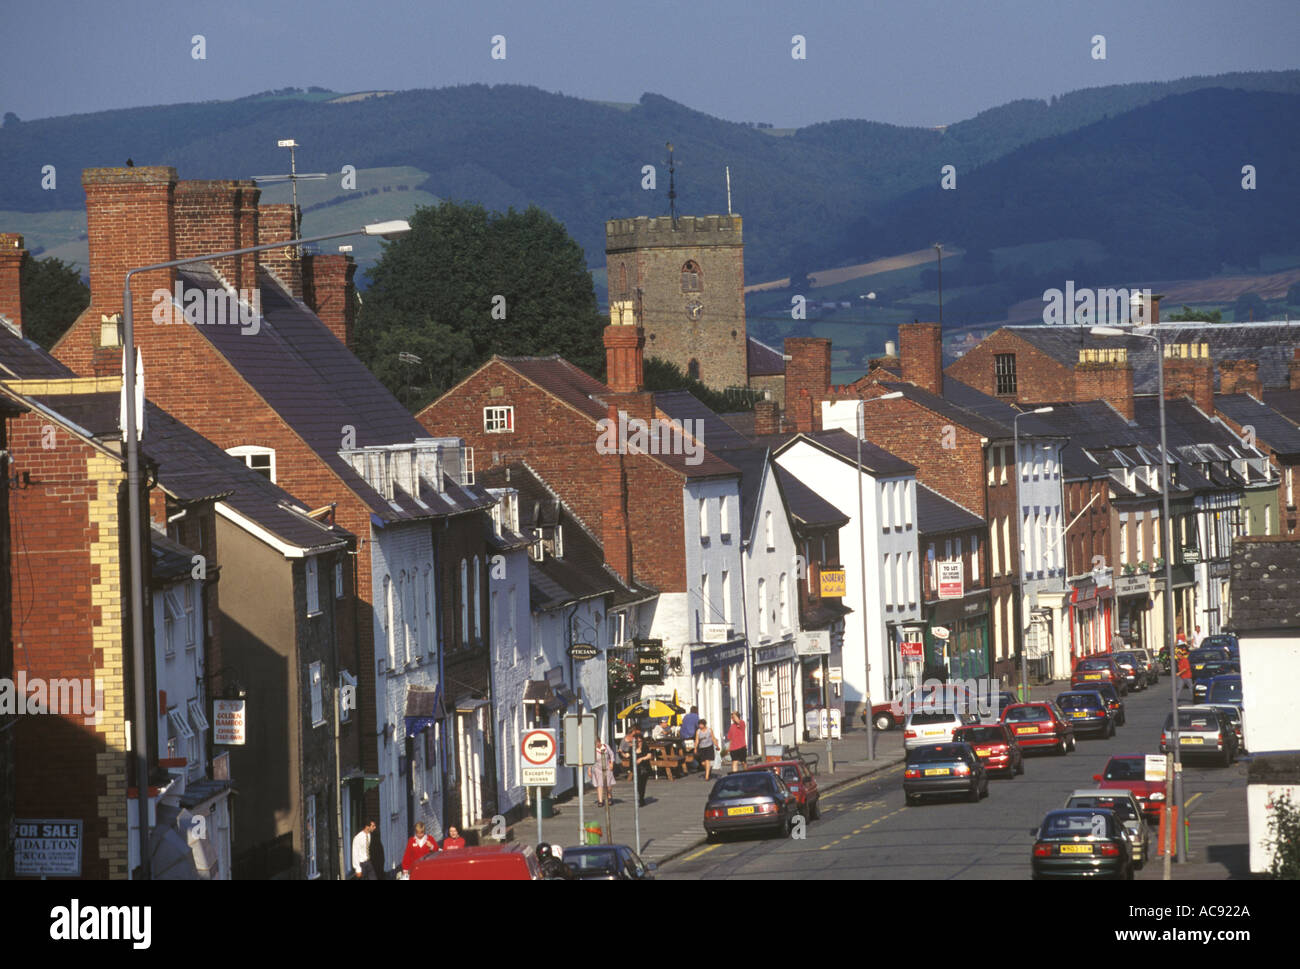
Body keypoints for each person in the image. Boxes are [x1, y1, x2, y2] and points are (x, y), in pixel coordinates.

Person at [589, 740, 616, 807]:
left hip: (607, 767)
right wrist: (589, 769)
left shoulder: (606, 746)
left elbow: (612, 754)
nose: (596, 744)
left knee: (608, 784)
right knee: (599, 784)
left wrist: (612, 763)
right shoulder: (593, 750)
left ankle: (609, 796)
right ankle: (600, 800)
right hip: (597, 768)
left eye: (597, 743)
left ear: (599, 741)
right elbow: (590, 759)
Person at [634, 732, 653, 806]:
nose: (639, 743)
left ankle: (641, 799)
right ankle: (640, 798)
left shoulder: (645, 747)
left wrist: (641, 759)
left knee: (642, 784)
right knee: (638, 785)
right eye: (637, 741)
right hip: (636, 769)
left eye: (640, 741)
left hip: (644, 769)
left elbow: (649, 755)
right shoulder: (633, 748)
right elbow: (628, 755)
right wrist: (622, 753)